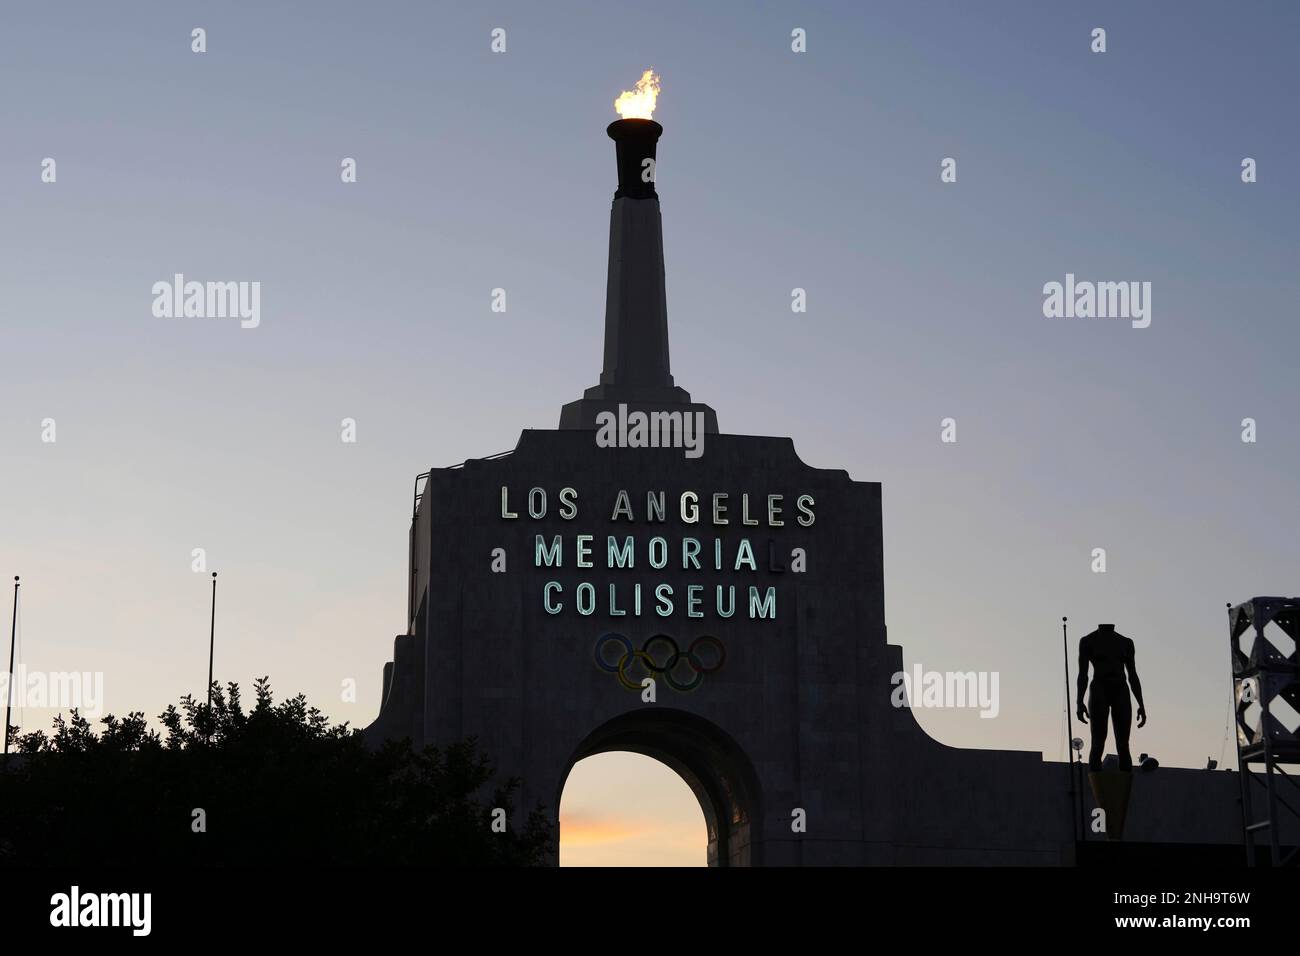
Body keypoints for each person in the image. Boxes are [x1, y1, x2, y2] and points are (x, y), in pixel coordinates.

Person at [1076, 624, 1147, 771]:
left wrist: (1141, 703)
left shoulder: (1126, 642)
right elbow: (1083, 674)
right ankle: (1097, 791)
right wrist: (1079, 701)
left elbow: (1132, 674)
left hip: (1120, 689)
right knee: (1097, 743)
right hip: (1099, 689)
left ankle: (1123, 791)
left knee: (1123, 745)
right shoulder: (1088, 641)